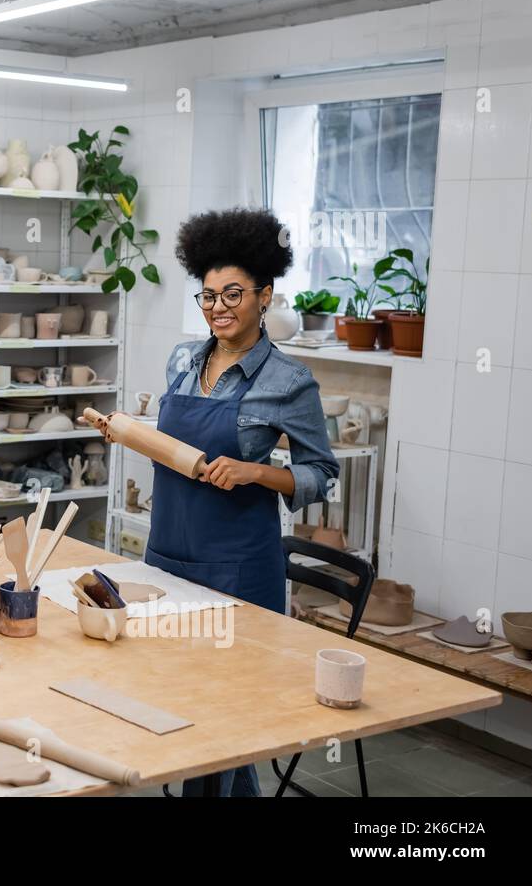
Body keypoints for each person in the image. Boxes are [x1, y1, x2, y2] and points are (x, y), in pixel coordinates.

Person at [83, 208, 338, 797]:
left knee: (228, 713)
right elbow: (173, 444)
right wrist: (131, 433)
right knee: (174, 697)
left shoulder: (289, 381)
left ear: (265, 295)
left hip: (239, 566)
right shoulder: (181, 360)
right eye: (208, 295)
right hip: (168, 551)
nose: (219, 307)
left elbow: (323, 474)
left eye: (233, 294)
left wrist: (258, 471)